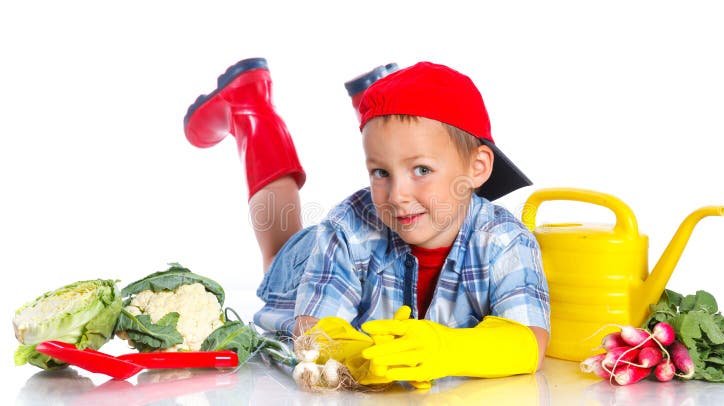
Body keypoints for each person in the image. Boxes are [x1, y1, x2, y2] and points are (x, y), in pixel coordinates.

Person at [183, 58, 550, 384]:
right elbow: (311, 332)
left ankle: (384, 98)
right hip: (310, 264)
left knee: (400, 143)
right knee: (277, 247)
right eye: (379, 171)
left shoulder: (505, 240)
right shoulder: (345, 228)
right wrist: (355, 357)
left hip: (376, 250)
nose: (397, 195)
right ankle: (250, 109)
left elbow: (530, 341)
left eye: (421, 169)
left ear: (478, 167)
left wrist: (447, 348)